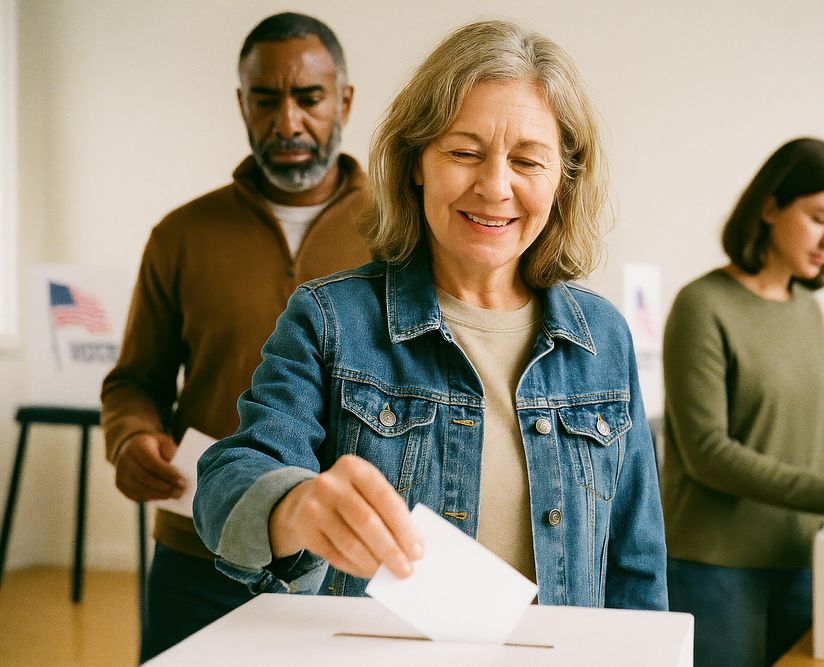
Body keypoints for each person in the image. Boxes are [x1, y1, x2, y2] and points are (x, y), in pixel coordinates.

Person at [193, 19, 667, 611]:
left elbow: (636, 567)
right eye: (465, 153)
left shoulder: (603, 338)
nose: (495, 187)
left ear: (563, 180)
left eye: (527, 161)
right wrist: (295, 507)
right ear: (417, 162)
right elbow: (226, 482)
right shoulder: (329, 321)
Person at [100, 12, 370, 661]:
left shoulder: (400, 234)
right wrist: (130, 436)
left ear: (343, 101)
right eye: (265, 99)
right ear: (242, 104)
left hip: (353, 565)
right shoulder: (181, 236)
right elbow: (135, 380)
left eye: (308, 97)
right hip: (200, 552)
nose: (288, 122)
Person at [660, 137, 824, 666]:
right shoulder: (702, 305)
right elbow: (708, 452)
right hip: (715, 566)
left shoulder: (805, 309)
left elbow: (821, 418)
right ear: (770, 207)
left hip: (799, 558)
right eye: (820, 218)